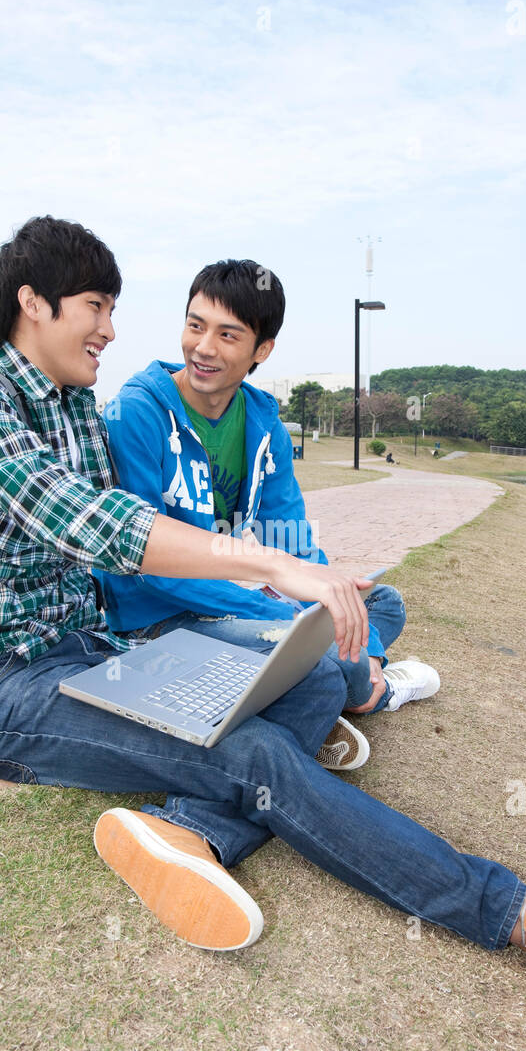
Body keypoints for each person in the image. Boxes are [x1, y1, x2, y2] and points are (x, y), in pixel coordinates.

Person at [0, 215, 526, 984]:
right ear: (35, 304)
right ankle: (513, 912)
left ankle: (187, 834)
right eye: (97, 306)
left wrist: (301, 582)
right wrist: (272, 568)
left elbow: (228, 529)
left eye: (112, 309)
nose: (110, 328)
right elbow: (97, 525)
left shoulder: (73, 409)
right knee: (253, 748)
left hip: (94, 654)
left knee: (309, 681)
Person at [94, 259, 439, 774]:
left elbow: (293, 538)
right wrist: (288, 616)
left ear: (262, 350)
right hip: (160, 613)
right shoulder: (138, 412)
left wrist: (345, 624)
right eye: (195, 325)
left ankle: (354, 679)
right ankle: (370, 692)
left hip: (241, 592)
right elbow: (143, 559)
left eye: (228, 334)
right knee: (312, 648)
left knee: (378, 602)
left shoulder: (264, 425)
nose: (204, 347)